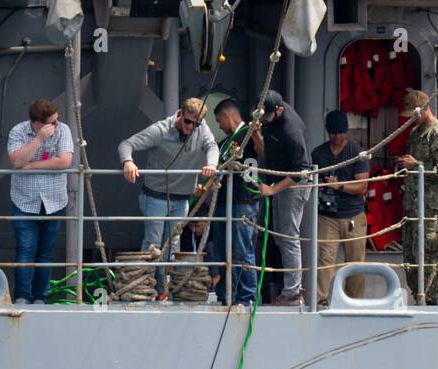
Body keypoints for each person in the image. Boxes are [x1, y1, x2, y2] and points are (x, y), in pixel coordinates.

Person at [119, 98, 218, 298]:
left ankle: (165, 290)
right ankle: (144, 289)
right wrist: (128, 162)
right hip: (155, 196)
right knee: (153, 244)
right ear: (180, 114)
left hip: (181, 198)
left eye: (196, 124)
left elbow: (212, 146)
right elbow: (126, 144)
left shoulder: (201, 128)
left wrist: (212, 164)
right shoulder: (160, 131)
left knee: (172, 245)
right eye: (188, 122)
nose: (192, 127)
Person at [191, 99, 262, 306]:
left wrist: (256, 132)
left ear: (226, 116)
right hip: (223, 202)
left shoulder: (248, 134)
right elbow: (218, 172)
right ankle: (226, 293)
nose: (219, 125)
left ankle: (246, 296)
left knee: (241, 250)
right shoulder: (224, 144)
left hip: (243, 200)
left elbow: (263, 152)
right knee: (222, 249)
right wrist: (204, 188)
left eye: (219, 120)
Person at [6, 98, 74, 305]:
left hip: (54, 202)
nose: (57, 124)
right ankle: (22, 296)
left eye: (57, 120)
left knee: (45, 253)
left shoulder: (63, 130)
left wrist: (33, 164)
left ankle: (40, 298)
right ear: (37, 124)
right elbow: (16, 160)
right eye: (52, 122)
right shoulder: (18, 131)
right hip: (24, 201)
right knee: (25, 250)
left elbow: (65, 161)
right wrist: (38, 140)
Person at [395, 90, 438, 305]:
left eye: (414, 113)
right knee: (411, 256)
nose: (411, 117)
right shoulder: (415, 133)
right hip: (413, 204)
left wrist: (417, 165)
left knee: (429, 254)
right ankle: (419, 296)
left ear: (425, 108)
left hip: (431, 205)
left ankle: (434, 301)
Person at [250, 90, 310, 306]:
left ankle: (293, 292)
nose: (264, 120)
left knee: (288, 236)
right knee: (279, 237)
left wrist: (273, 190)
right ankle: (288, 288)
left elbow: (301, 171)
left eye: (266, 117)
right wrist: (257, 132)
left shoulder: (291, 130)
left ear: (280, 110)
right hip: (278, 178)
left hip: (294, 184)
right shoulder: (269, 117)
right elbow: (267, 153)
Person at [311, 110, 371, 304]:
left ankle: (355, 303)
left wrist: (339, 186)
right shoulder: (318, 153)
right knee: (325, 261)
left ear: (347, 131)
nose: (337, 137)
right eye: (333, 132)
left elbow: (363, 186)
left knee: (354, 262)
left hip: (353, 215)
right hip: (327, 215)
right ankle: (322, 301)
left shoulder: (357, 153)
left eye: (340, 132)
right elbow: (311, 181)